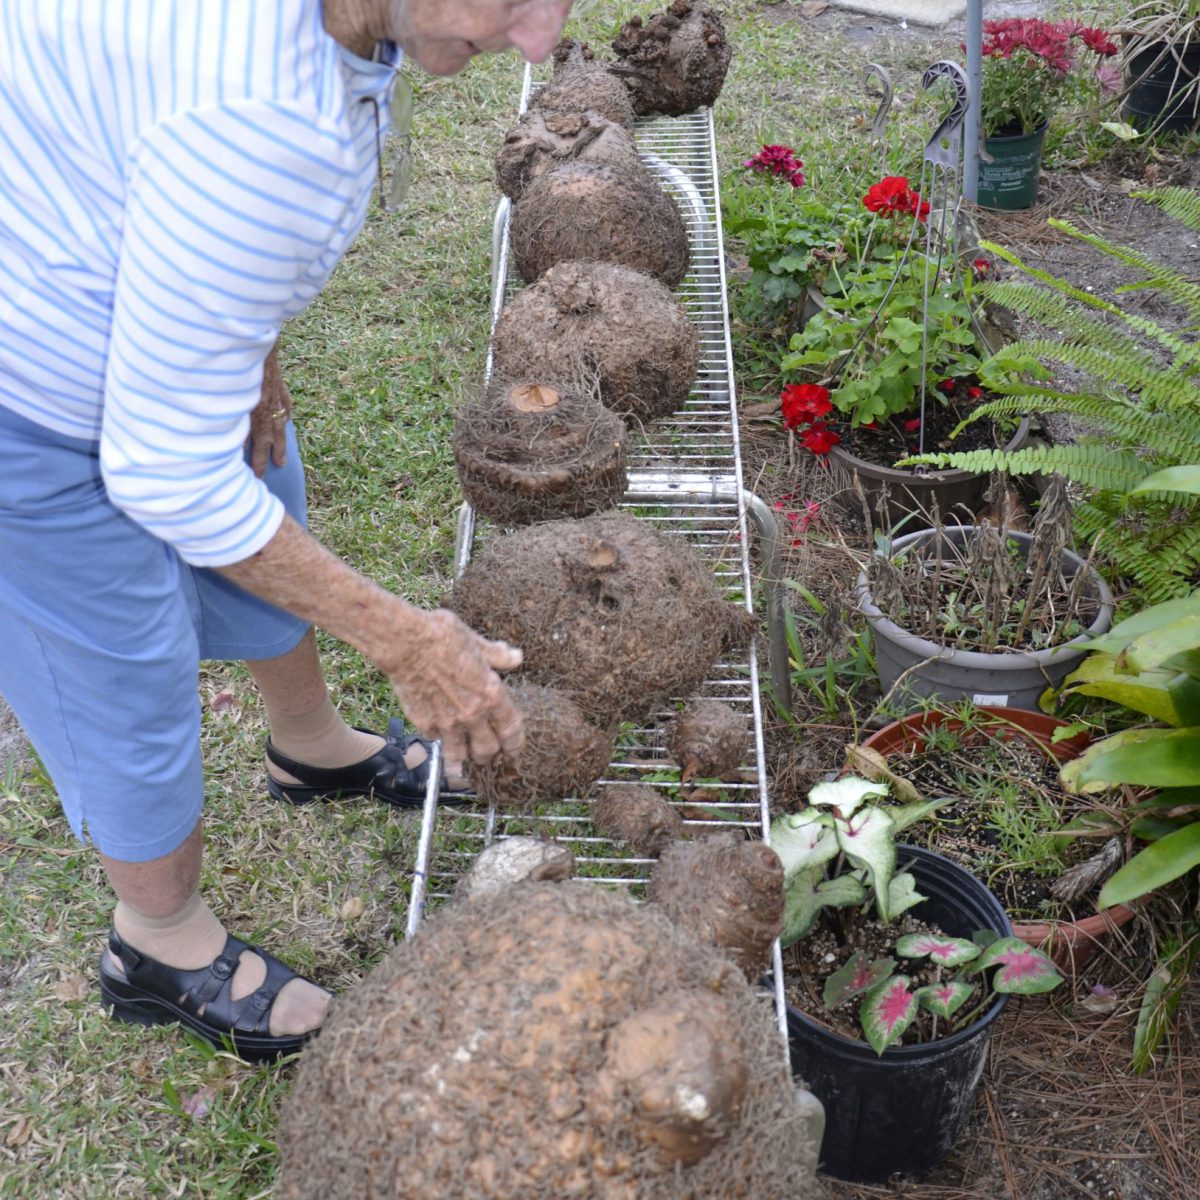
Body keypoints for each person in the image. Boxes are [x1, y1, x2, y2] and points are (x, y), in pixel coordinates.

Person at [0, 0, 575, 1061]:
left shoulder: (330, 37)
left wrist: (248, 348)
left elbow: (169, 164)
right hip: (23, 375)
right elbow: (164, 472)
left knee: (265, 486)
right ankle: (159, 943)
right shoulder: (260, 127)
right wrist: (406, 637)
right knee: (120, 661)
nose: (538, 41)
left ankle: (310, 751)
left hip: (102, 227)